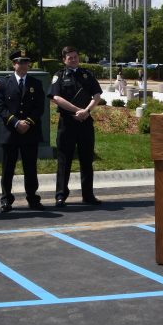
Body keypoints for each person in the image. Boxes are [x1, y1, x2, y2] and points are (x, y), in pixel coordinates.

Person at [49, 46, 103, 207]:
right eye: (70, 58)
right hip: (67, 123)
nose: (73, 59)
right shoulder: (59, 76)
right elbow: (56, 97)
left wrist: (86, 111)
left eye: (75, 56)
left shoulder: (87, 74)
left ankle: (88, 195)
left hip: (85, 121)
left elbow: (97, 95)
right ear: (64, 60)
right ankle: (60, 195)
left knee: (87, 160)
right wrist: (77, 110)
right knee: (64, 160)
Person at [0, 51, 46, 213]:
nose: (23, 65)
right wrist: (16, 122)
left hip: (30, 131)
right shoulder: (3, 83)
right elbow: (0, 107)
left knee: (30, 168)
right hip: (11, 131)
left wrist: (27, 122)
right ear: (13, 64)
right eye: (20, 62)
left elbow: (39, 107)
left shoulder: (35, 83)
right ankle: (6, 200)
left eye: (26, 62)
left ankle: (32, 198)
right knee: (8, 168)